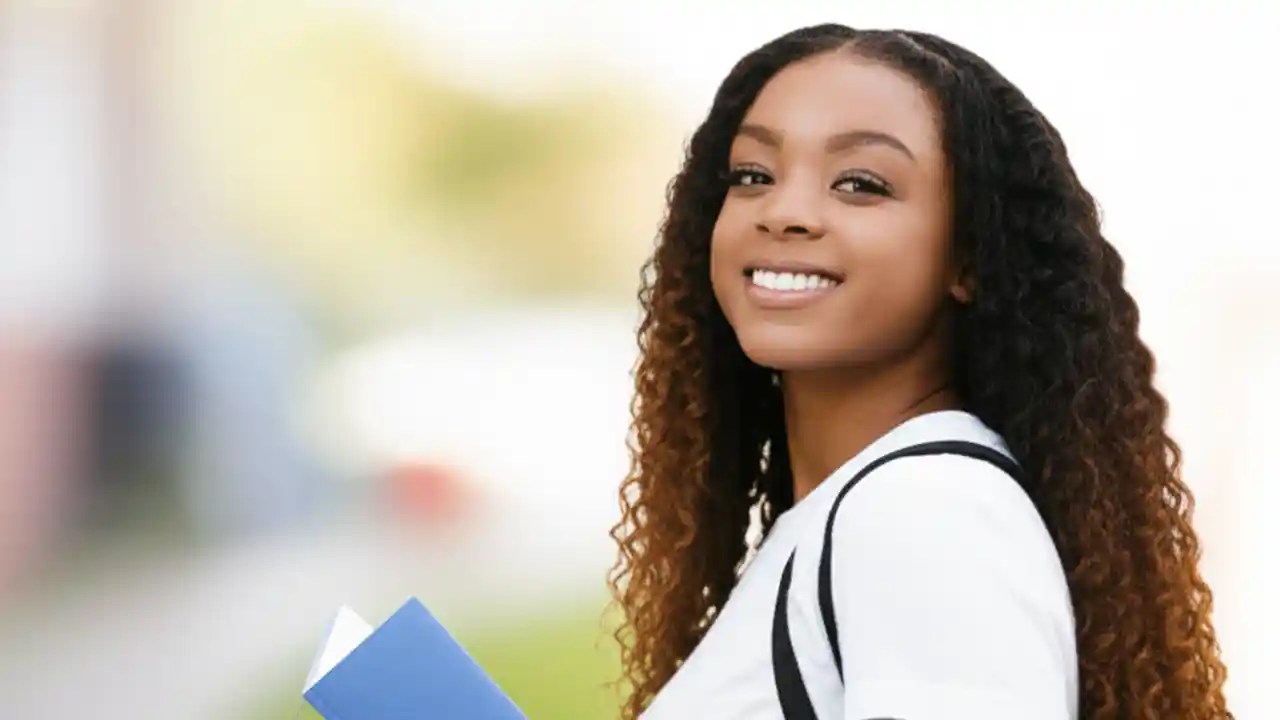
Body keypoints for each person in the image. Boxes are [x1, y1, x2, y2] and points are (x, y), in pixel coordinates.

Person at [607, 24, 1233, 720]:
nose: (784, 212)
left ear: (969, 258)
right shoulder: (863, 512)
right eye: (753, 175)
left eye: (860, 184)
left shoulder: (926, 512)